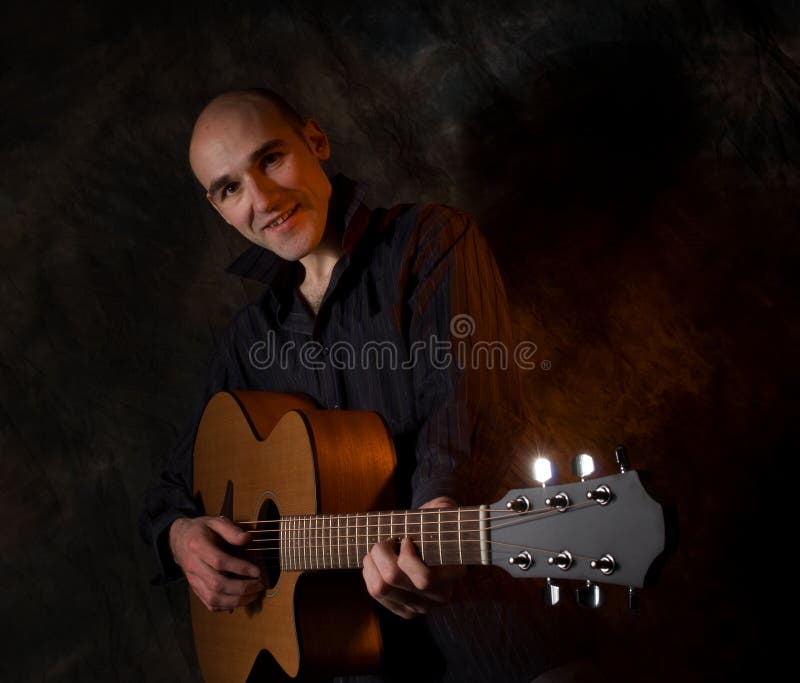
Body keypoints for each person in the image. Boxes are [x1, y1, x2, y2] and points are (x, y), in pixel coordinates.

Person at [140, 88, 525, 681]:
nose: (262, 199)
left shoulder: (428, 241)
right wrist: (182, 537)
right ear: (218, 207)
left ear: (315, 141)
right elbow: (170, 492)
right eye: (230, 188)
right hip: (340, 662)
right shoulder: (247, 341)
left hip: (486, 630)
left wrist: (439, 516)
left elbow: (465, 401)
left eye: (270, 159)